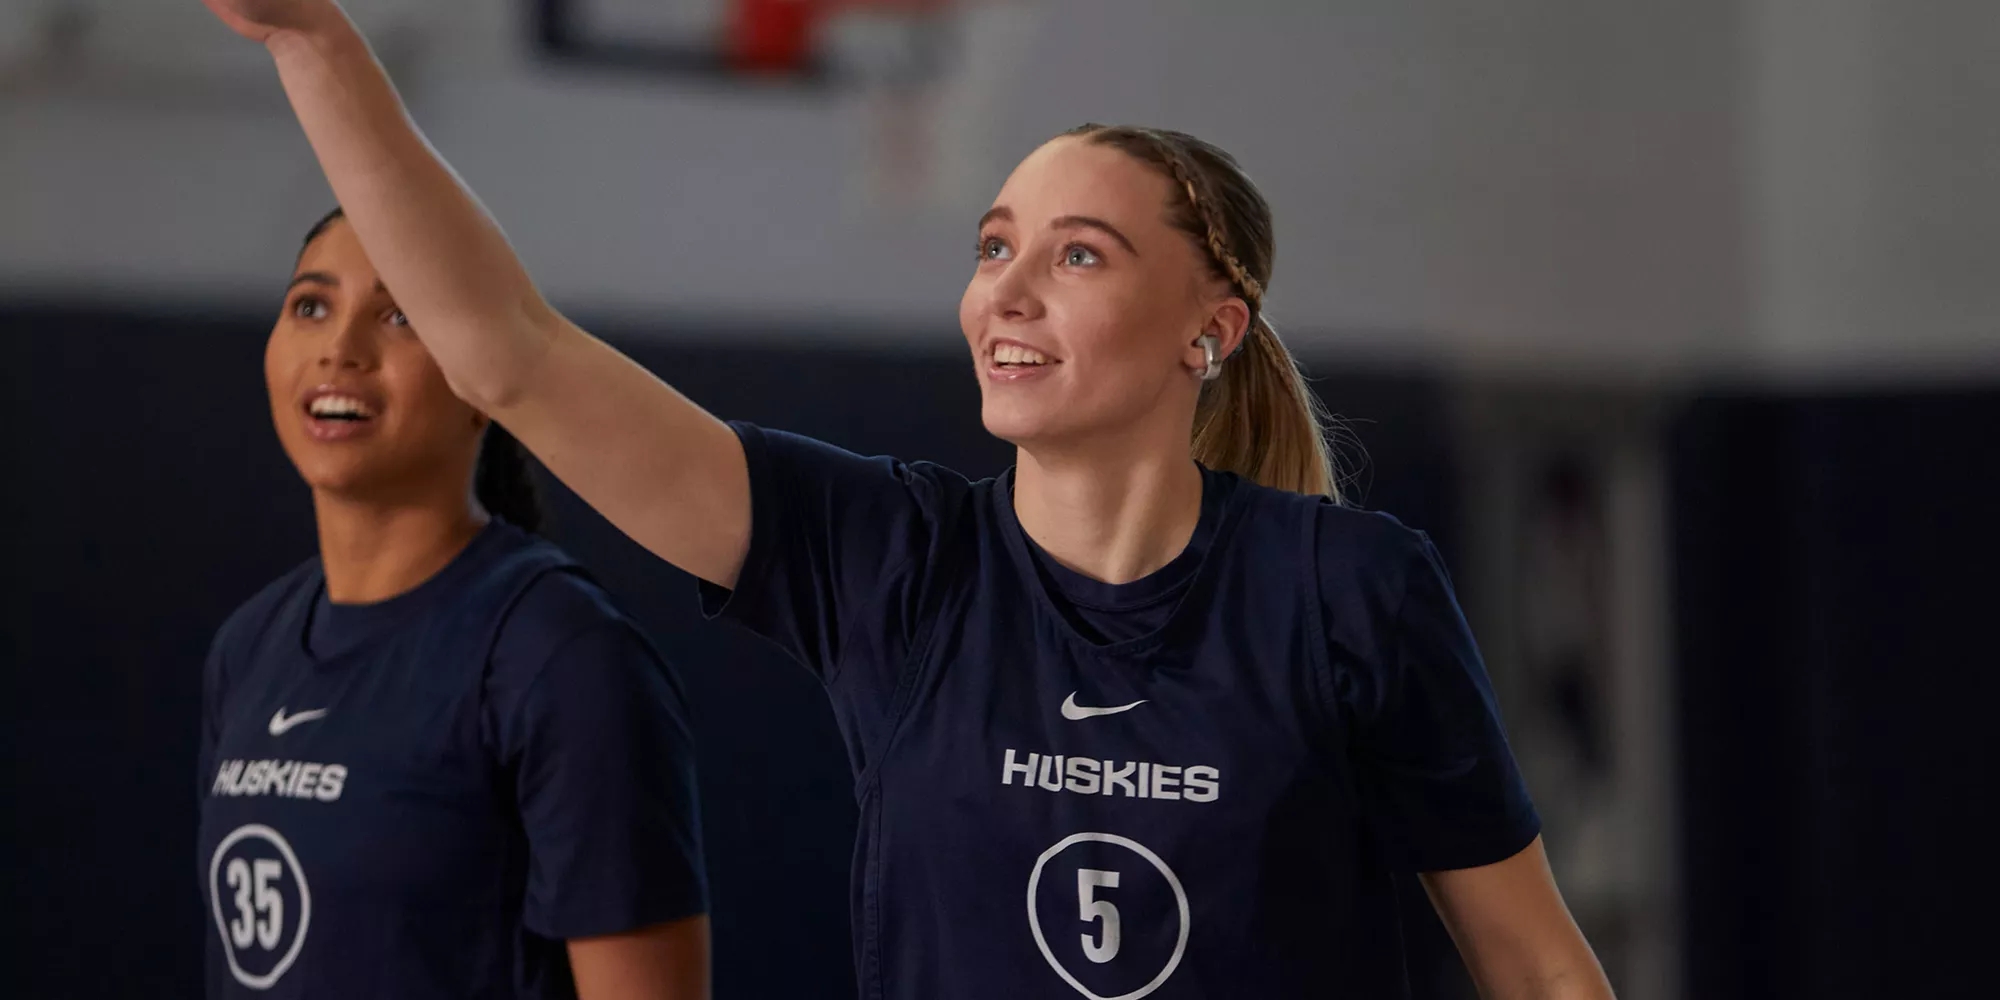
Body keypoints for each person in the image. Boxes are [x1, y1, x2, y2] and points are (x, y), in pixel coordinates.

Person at [198, 2, 1615, 997]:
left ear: (1211, 329)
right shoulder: (891, 563)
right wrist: (313, 38)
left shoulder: (1347, 592)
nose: (1004, 288)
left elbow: (1538, 964)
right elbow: (509, 354)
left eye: (1078, 256)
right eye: (993, 244)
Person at [196, 208, 710, 1000]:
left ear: (484, 381)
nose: (340, 348)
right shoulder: (248, 647)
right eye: (311, 305)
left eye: (399, 315)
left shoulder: (560, 656)